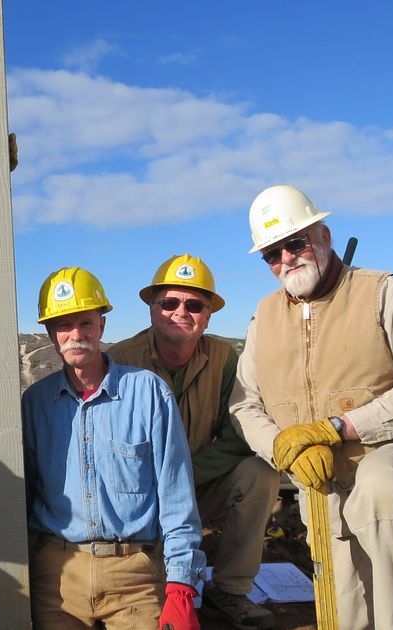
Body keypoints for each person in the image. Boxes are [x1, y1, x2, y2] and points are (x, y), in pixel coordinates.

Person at [228, 184, 393, 629]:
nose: (286, 258)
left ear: (323, 235)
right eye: (271, 253)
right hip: (319, 474)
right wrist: (284, 446)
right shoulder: (262, 319)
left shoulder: (384, 292)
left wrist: (337, 428)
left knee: (380, 488)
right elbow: (245, 405)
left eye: (294, 242)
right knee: (347, 609)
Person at [22, 266, 205, 630]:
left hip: (134, 573)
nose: (76, 335)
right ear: (50, 333)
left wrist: (182, 586)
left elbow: (176, 496)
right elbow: (23, 495)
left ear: (101, 326)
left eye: (86, 323)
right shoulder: (35, 404)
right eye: (64, 325)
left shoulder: (149, 393)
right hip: (58, 576)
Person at [109, 254, 279, 629]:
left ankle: (230, 590)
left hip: (198, 484)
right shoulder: (120, 361)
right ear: (152, 309)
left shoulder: (222, 356)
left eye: (194, 304)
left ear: (208, 314)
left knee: (259, 475)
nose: (180, 312)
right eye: (169, 302)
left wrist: (184, 477)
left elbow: (238, 434)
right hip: (141, 502)